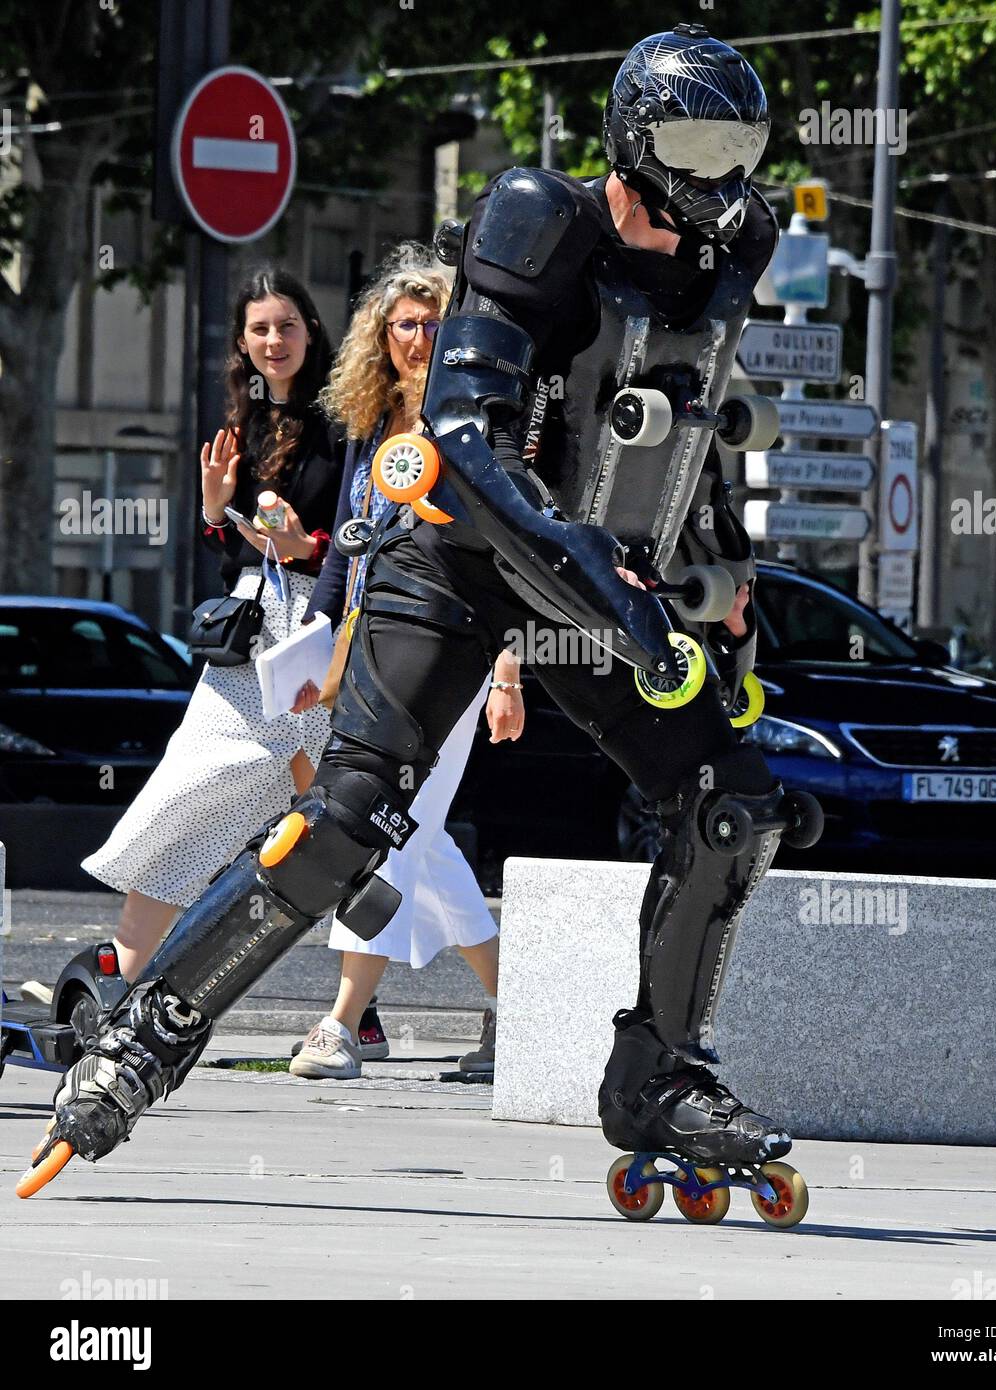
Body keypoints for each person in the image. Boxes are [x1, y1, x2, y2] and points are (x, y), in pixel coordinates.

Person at [28, 25, 823, 1192]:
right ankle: (138, 1043)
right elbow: (461, 443)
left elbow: (693, 417)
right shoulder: (536, 217)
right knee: (345, 820)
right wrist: (622, 601)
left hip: (601, 574)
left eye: (739, 143)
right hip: (458, 556)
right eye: (698, 142)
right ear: (636, 141)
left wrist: (722, 575)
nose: (722, 172)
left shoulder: (737, 241)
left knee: (731, 805)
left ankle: (658, 1073)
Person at [78, 268, 341, 979]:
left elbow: (360, 535)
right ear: (243, 343)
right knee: (188, 792)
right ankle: (123, 979)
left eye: (287, 325)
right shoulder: (242, 423)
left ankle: (356, 1007)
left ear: (310, 331)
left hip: (318, 625)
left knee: (334, 820)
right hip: (253, 630)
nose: (274, 340)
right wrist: (212, 507)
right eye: (260, 328)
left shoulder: (344, 420)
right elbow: (230, 550)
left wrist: (304, 546)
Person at [287, 246, 509, 1080]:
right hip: (369, 645)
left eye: (431, 324)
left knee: (381, 820)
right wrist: (314, 640)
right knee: (419, 833)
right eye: (402, 324)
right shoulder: (372, 423)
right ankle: (528, 1010)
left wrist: (512, 675)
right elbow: (348, 551)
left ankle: (341, 1024)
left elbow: (505, 555)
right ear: (379, 337)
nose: (416, 338)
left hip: (453, 648)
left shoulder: (476, 422)